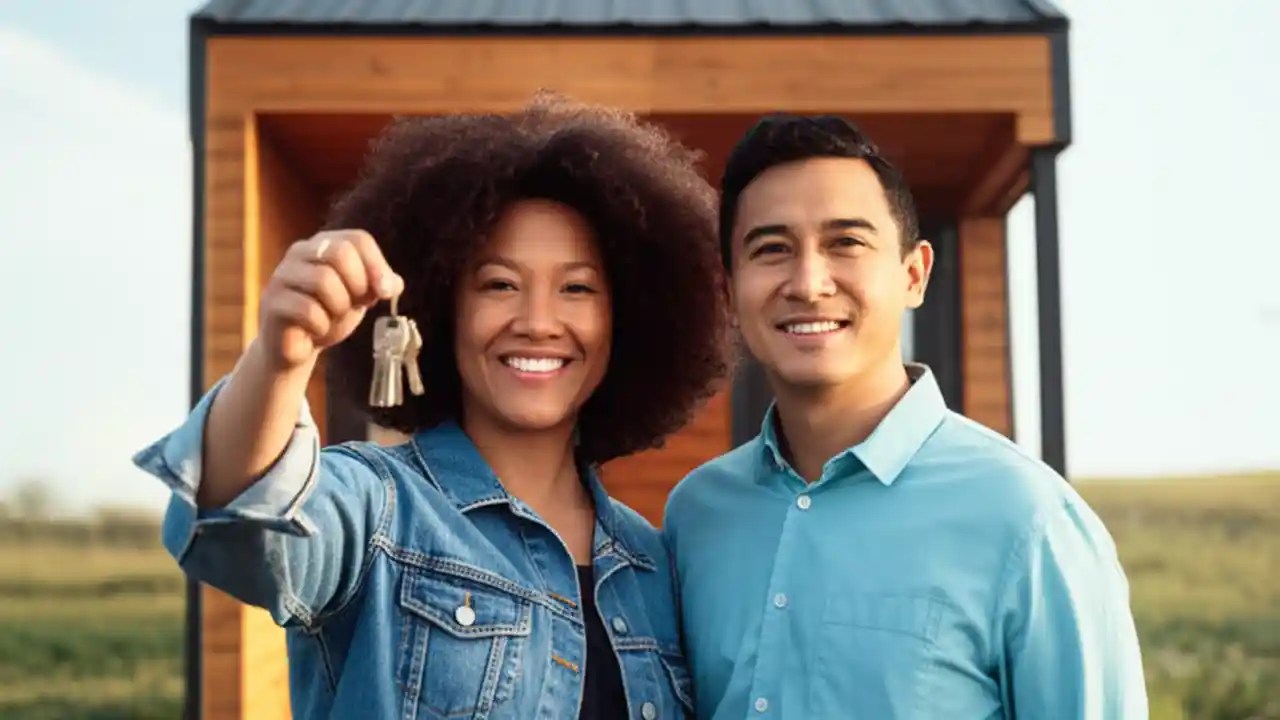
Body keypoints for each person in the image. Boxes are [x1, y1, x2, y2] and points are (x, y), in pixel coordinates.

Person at [134, 94, 731, 720]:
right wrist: (280, 359)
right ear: (443, 308)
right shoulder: (378, 511)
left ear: (626, 318)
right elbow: (237, 523)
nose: (537, 321)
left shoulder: (652, 566)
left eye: (576, 288)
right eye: (499, 284)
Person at [663, 114, 1148, 719]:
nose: (809, 282)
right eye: (772, 249)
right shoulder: (696, 517)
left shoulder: (1028, 520)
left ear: (914, 274)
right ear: (730, 293)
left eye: (846, 243)